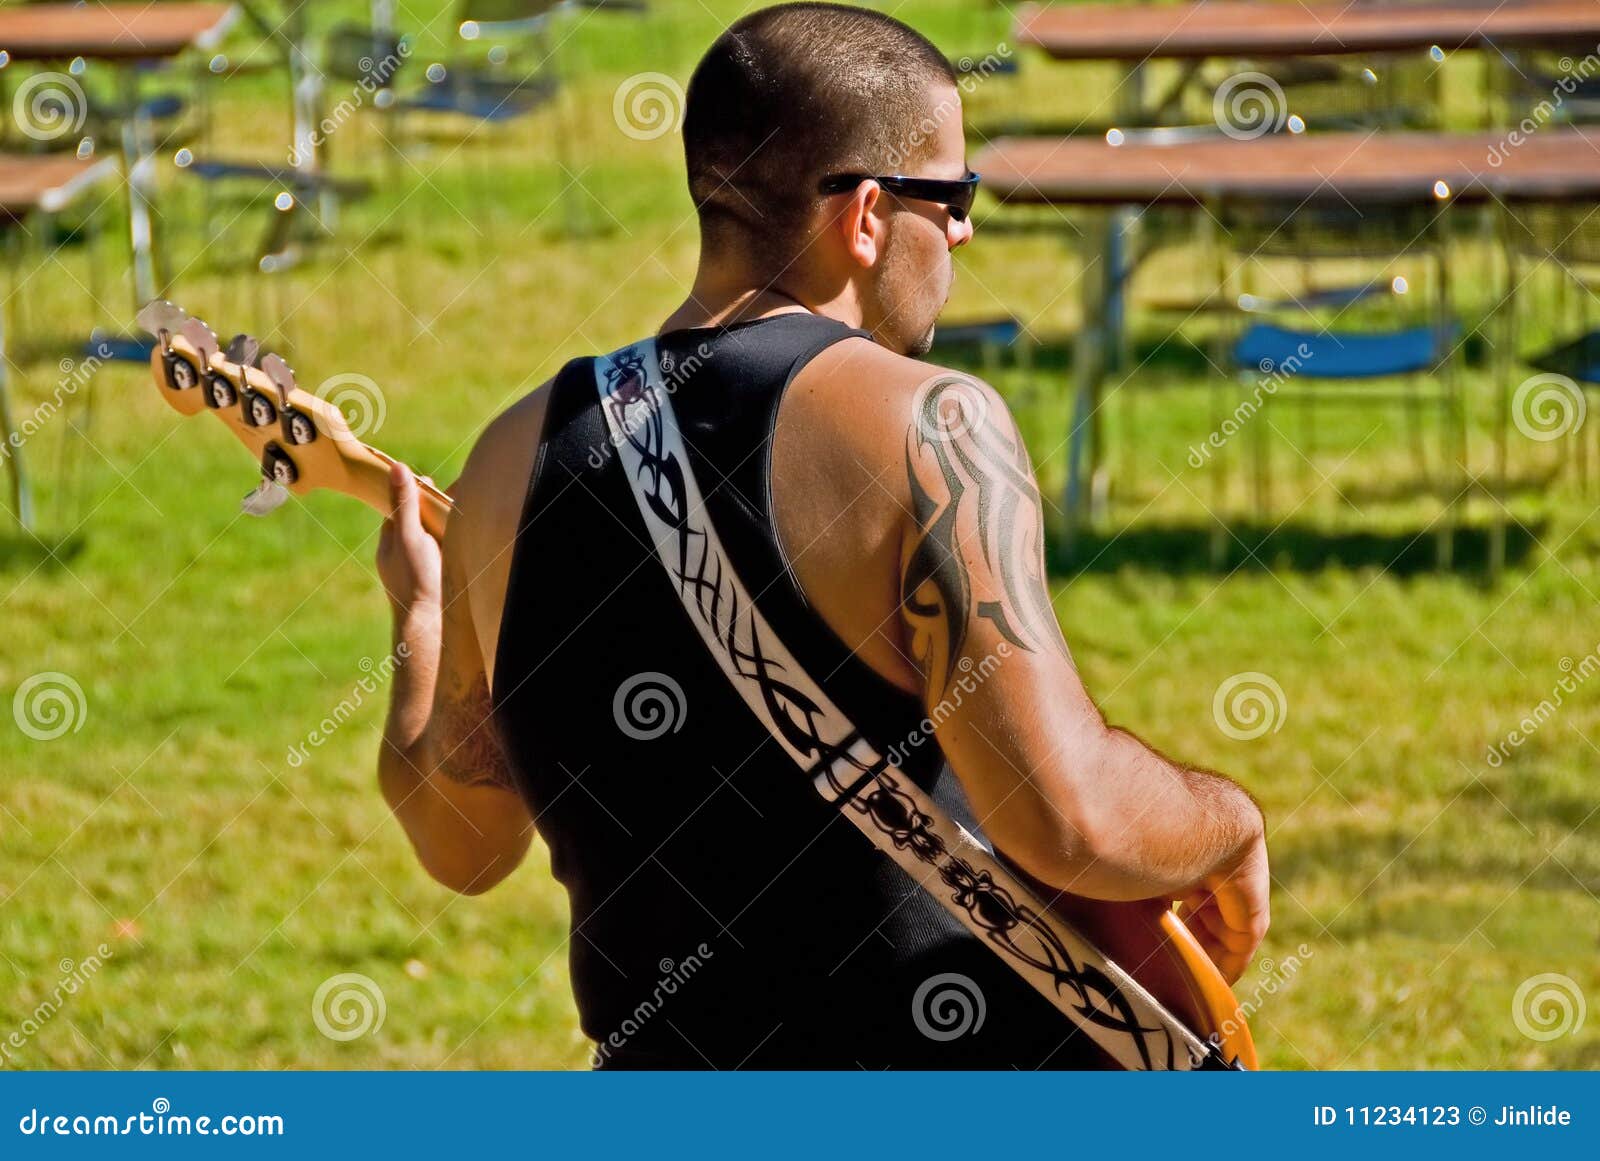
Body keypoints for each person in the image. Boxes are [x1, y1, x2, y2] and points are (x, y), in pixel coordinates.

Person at [375, 1, 1268, 1069]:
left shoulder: (504, 457)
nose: (967, 232)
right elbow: (1065, 818)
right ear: (865, 215)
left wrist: (419, 616)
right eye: (955, 197)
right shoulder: (929, 424)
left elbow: (460, 843)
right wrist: (1230, 820)